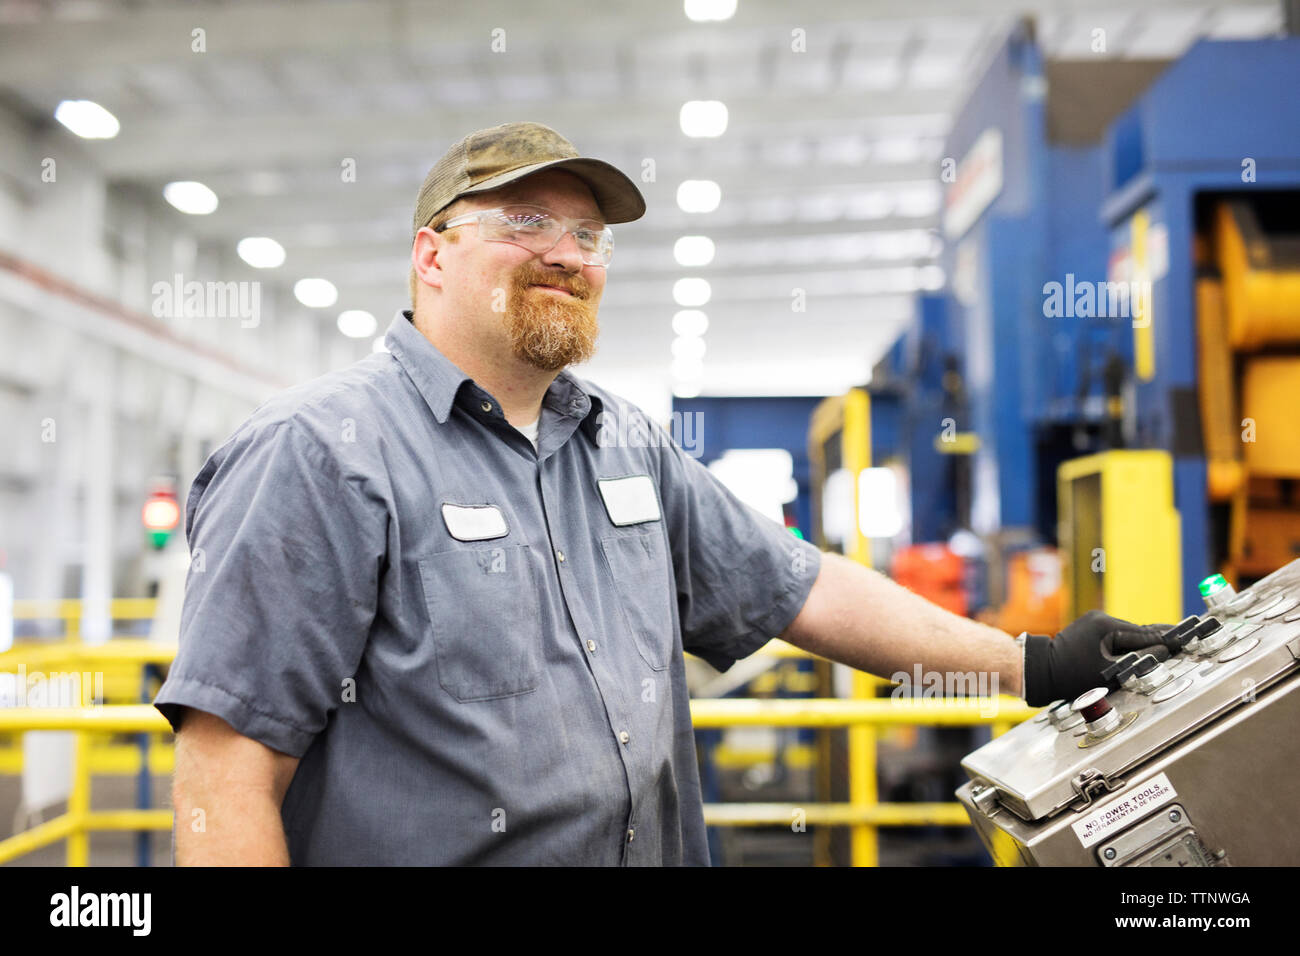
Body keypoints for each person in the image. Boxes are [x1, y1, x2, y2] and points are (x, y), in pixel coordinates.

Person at [153, 121, 1171, 866]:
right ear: (432, 252)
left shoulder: (622, 443)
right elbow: (225, 773)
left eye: (589, 236)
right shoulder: (319, 453)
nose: (566, 253)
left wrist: (1030, 659)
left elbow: (802, 589)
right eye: (525, 221)